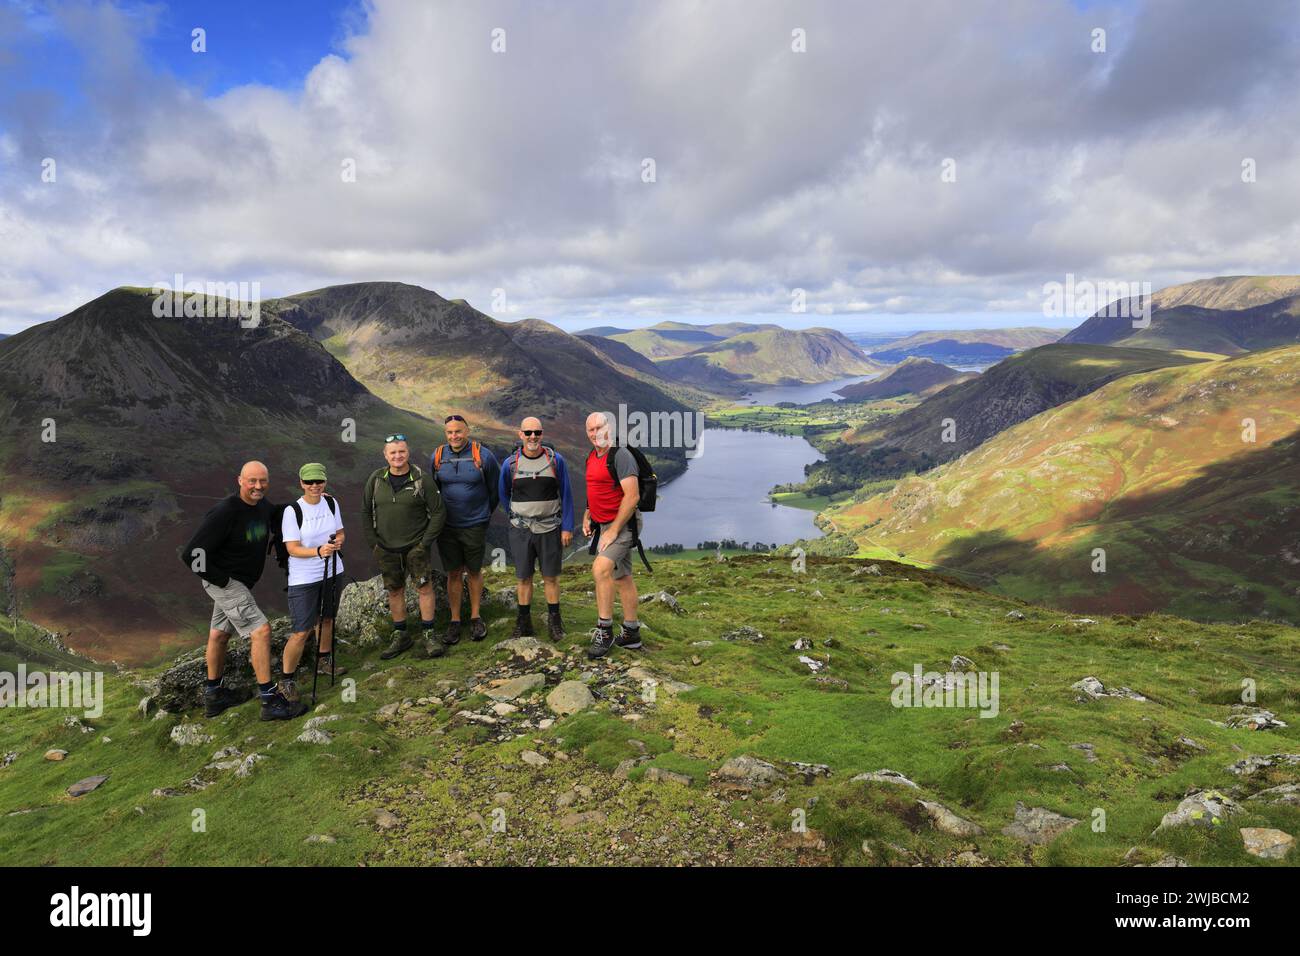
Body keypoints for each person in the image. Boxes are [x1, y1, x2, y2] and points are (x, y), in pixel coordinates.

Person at [180, 460, 306, 721]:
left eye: (263, 481)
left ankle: (214, 695)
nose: (258, 486)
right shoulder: (226, 511)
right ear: (240, 481)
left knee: (219, 635)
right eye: (252, 481)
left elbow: (276, 514)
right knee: (261, 631)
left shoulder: (261, 506)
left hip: (237, 583)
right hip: (227, 582)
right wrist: (222, 581)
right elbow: (192, 554)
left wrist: (307, 500)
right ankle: (270, 700)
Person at [362, 434, 447, 659]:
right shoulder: (376, 479)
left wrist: (425, 543)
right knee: (394, 589)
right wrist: (374, 544)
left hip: (415, 546)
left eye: (402, 452)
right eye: (393, 452)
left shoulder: (422, 478)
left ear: (408, 453)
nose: (398, 456)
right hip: (386, 548)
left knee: (423, 586)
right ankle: (401, 635)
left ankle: (429, 634)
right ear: (385, 455)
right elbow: (365, 512)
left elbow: (438, 511)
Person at [498, 416, 574, 641]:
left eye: (537, 433)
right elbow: (503, 493)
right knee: (523, 577)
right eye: (528, 432)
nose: (533, 437)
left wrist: (567, 527)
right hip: (520, 529)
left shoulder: (555, 460)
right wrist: (515, 514)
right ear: (520, 434)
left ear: (542, 434)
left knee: (550, 577)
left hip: (550, 527)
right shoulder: (510, 464)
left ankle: (555, 624)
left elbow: (567, 494)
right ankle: (524, 623)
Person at [278, 463, 347, 701]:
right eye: (309, 482)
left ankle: (324, 661)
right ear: (301, 483)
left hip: (332, 571)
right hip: (304, 578)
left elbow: (340, 532)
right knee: (301, 630)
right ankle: (286, 680)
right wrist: (319, 551)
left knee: (327, 618)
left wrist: (336, 543)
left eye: (319, 481)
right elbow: (292, 548)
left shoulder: (331, 503)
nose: (315, 486)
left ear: (325, 482)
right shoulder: (292, 511)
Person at [431, 414, 500, 643]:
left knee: (473, 570)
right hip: (447, 526)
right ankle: (454, 620)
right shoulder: (438, 456)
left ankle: (476, 617)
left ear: (467, 431)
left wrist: (482, 515)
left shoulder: (484, 455)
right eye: (449, 432)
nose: (454, 436)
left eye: (458, 431)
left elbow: (494, 490)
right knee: (452, 572)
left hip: (474, 524)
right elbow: (434, 488)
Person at [581, 412, 643, 659]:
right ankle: (631, 633)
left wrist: (614, 530)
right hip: (604, 524)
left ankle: (604, 632)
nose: (595, 433)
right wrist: (588, 515)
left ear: (610, 427)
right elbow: (596, 488)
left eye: (599, 427)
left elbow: (633, 496)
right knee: (622, 577)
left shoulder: (621, 455)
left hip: (624, 525)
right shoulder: (592, 456)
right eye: (590, 430)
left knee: (600, 570)